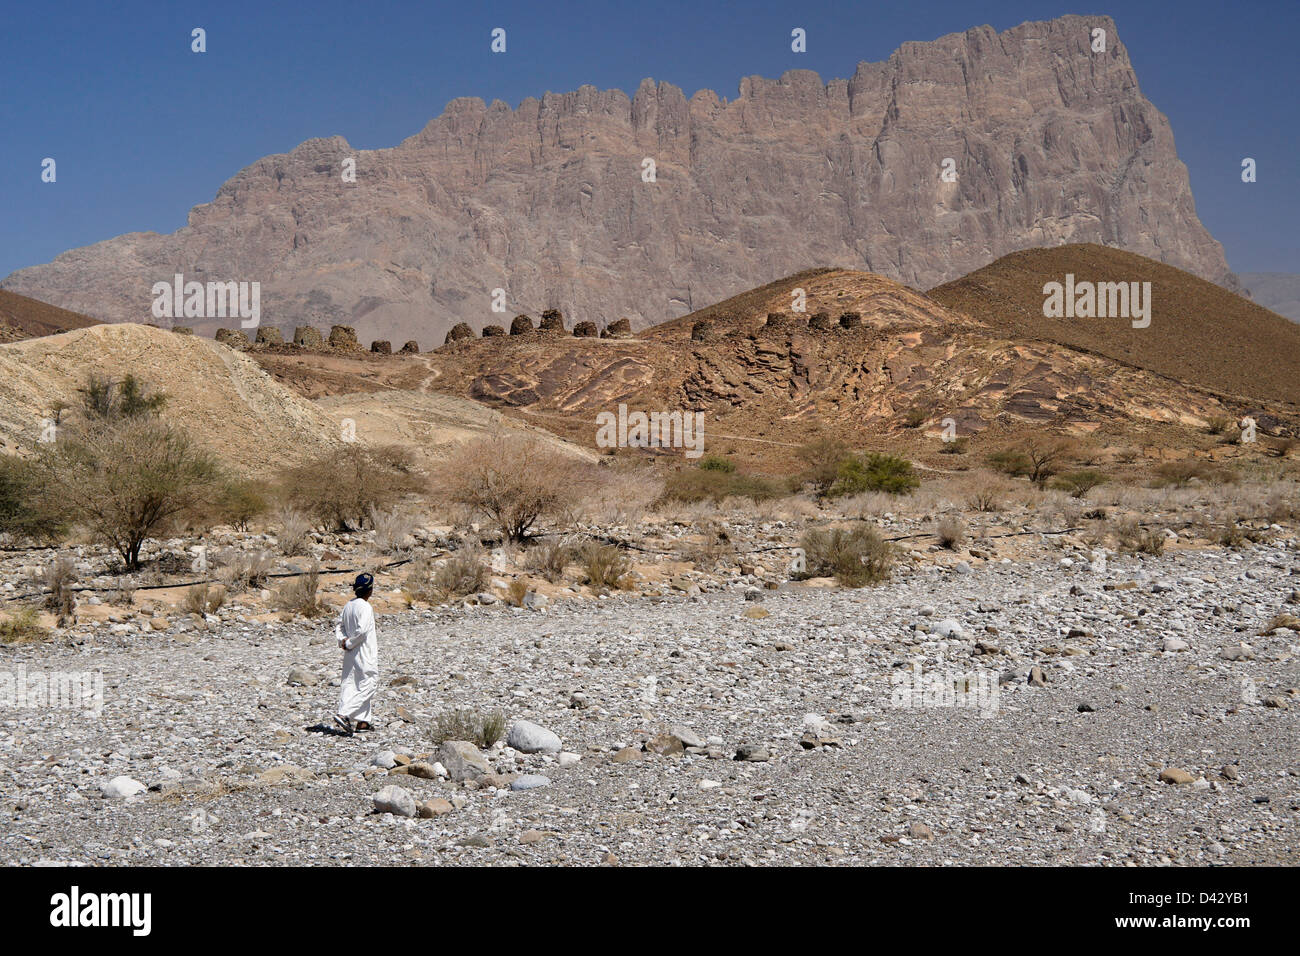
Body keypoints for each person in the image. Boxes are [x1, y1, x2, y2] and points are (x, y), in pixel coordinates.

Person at [334, 572, 378, 735]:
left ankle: (363, 722)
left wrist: (343, 641)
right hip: (364, 653)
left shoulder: (349, 605)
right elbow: (362, 631)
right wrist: (350, 642)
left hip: (350, 653)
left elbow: (339, 625)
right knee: (369, 683)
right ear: (370, 590)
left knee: (351, 683)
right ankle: (344, 714)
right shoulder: (365, 607)